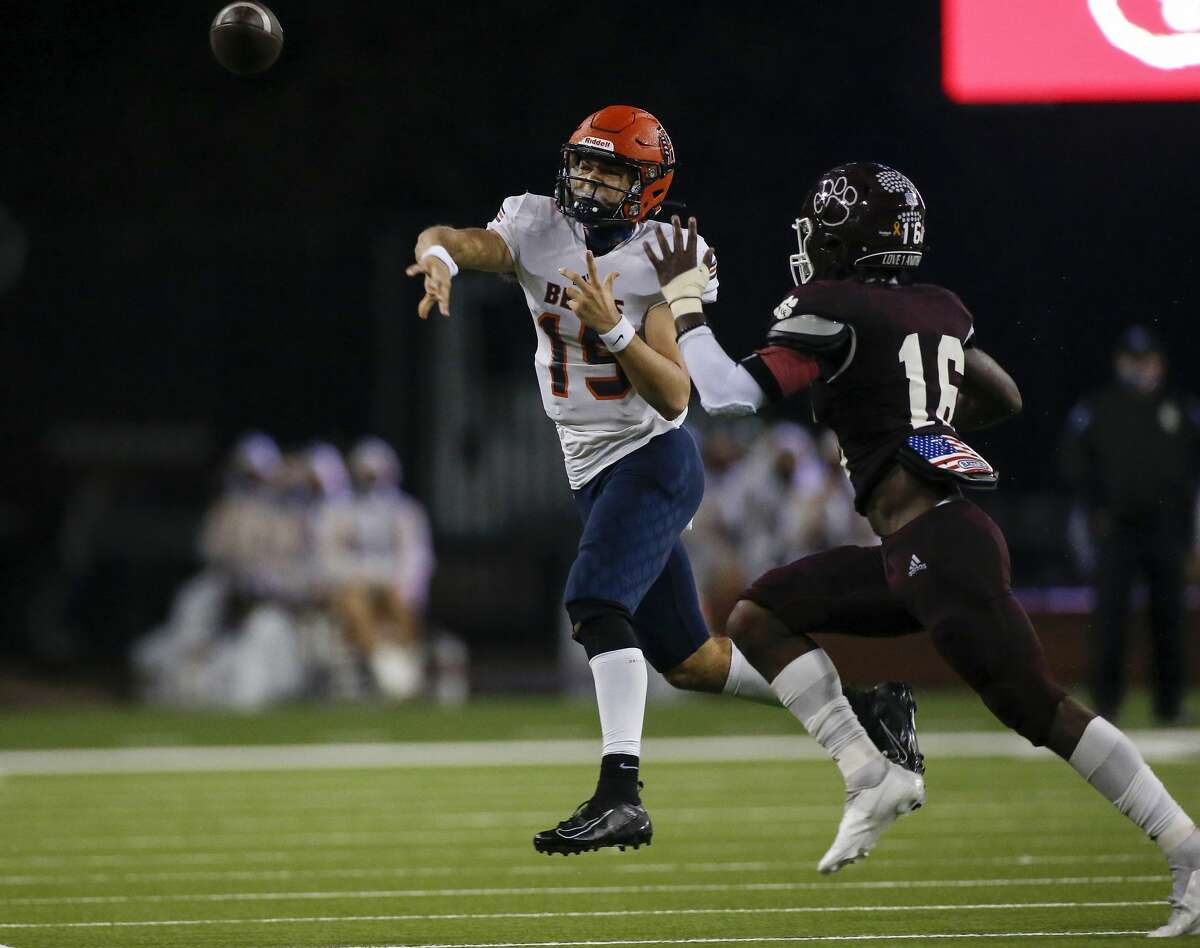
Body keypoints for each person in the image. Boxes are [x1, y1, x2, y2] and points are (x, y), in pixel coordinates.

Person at [634, 163, 1199, 936]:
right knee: (760, 614)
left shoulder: (831, 306)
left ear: (845, 238)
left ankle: (1186, 848)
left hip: (943, 546)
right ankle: (871, 770)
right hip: (914, 552)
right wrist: (925, 420)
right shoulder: (936, 310)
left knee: (1040, 711)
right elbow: (1004, 394)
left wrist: (685, 306)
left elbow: (731, 395)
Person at [405, 107, 922, 857]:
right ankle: (868, 712)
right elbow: (456, 239)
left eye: (612, 169)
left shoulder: (665, 253)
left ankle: (621, 792)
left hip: (650, 461)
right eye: (585, 163)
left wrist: (614, 328)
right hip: (592, 469)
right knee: (691, 662)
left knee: (593, 601)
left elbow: (676, 396)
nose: (590, 180)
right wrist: (440, 261)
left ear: (648, 186)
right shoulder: (536, 223)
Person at [1061, 325, 1199, 725]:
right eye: (1133, 361)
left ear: (1160, 363)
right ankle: (1106, 703)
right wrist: (1094, 514)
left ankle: (1170, 704)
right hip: (1116, 530)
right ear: (1120, 363)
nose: (1141, 369)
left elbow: (1193, 477)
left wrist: (1192, 537)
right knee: (1109, 619)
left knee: (1170, 618)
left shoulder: (1181, 410)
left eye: (1147, 360)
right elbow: (1073, 466)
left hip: (1166, 530)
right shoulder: (1098, 408)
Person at [317, 437, 436, 700]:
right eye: (366, 475)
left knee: (400, 601)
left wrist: (401, 588)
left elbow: (417, 557)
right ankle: (382, 663)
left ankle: (406, 663)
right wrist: (362, 578)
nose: (371, 481)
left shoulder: (406, 511)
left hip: (394, 586)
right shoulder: (338, 511)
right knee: (356, 599)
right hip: (354, 584)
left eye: (376, 475)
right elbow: (329, 557)